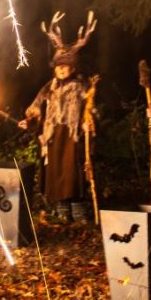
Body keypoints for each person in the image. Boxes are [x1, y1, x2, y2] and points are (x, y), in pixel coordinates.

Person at [19, 13, 96, 223]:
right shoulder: (49, 87)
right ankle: (62, 208)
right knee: (57, 171)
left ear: (73, 67)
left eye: (65, 65)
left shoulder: (82, 86)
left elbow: (92, 108)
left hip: (73, 135)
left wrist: (90, 122)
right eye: (58, 66)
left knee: (74, 171)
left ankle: (78, 209)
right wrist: (30, 122)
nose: (61, 69)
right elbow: (36, 108)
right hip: (53, 136)